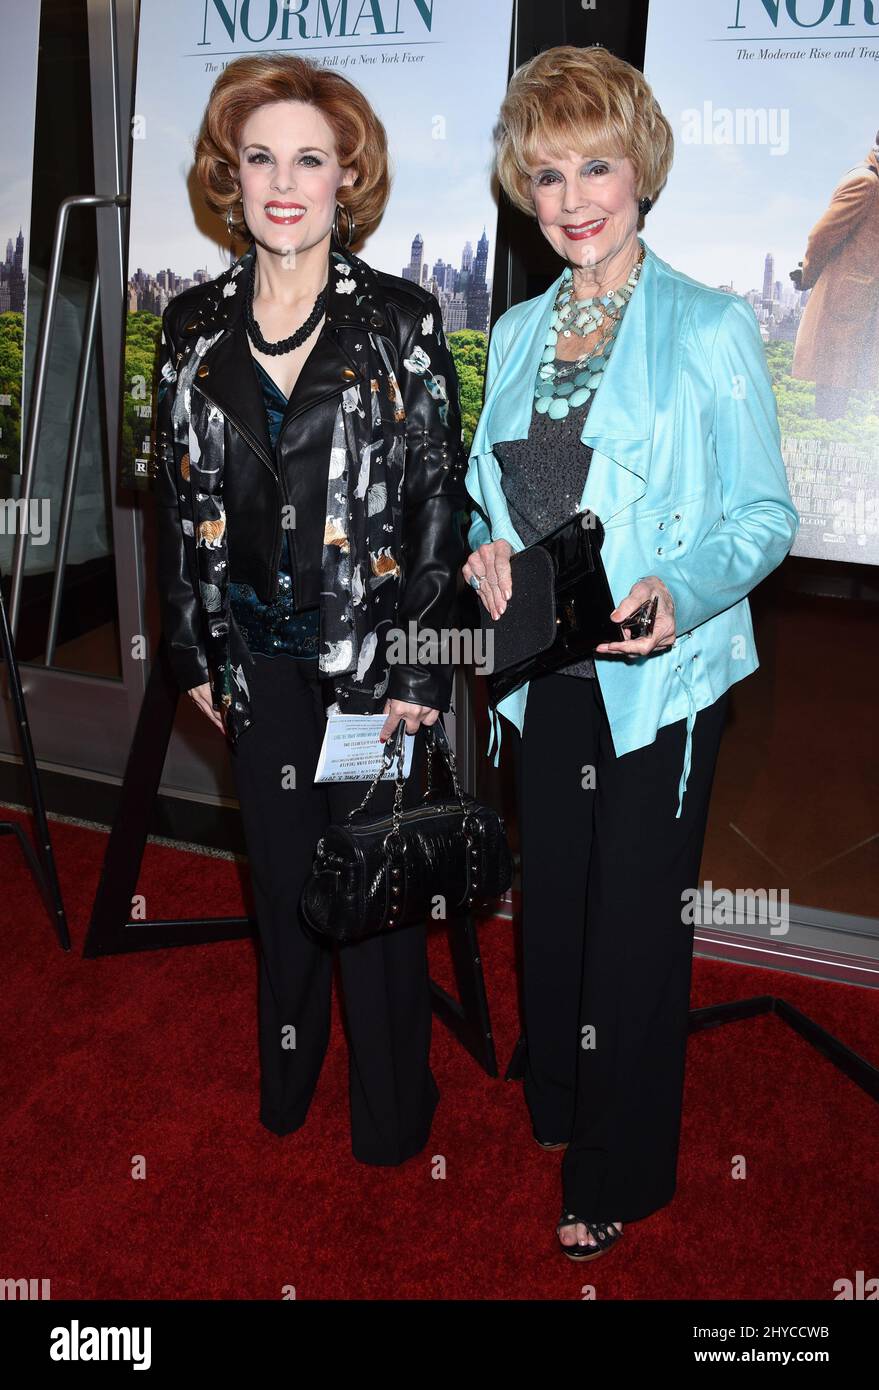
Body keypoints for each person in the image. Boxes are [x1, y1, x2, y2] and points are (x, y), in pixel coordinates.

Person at [464, 45, 798, 1259]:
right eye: (547, 176)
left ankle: (618, 1168)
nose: (574, 199)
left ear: (640, 165)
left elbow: (764, 516)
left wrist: (684, 587)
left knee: (636, 921)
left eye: (595, 164)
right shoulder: (511, 334)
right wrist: (481, 557)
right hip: (544, 666)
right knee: (550, 896)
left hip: (661, 667)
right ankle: (560, 1096)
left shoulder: (708, 326)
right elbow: (487, 501)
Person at [151, 53, 468, 1165]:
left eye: (311, 159)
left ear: (348, 178)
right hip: (255, 662)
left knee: (374, 891)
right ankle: (286, 1090)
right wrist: (190, 646)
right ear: (228, 175)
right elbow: (178, 499)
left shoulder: (400, 322)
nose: (284, 182)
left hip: (372, 665)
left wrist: (424, 671)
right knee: (284, 883)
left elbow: (440, 502)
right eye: (260, 157)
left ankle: (391, 1120)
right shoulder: (188, 329)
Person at [790, 131, 879, 419]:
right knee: (834, 392)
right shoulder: (865, 182)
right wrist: (807, 274)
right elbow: (822, 236)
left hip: (862, 305)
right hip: (847, 305)